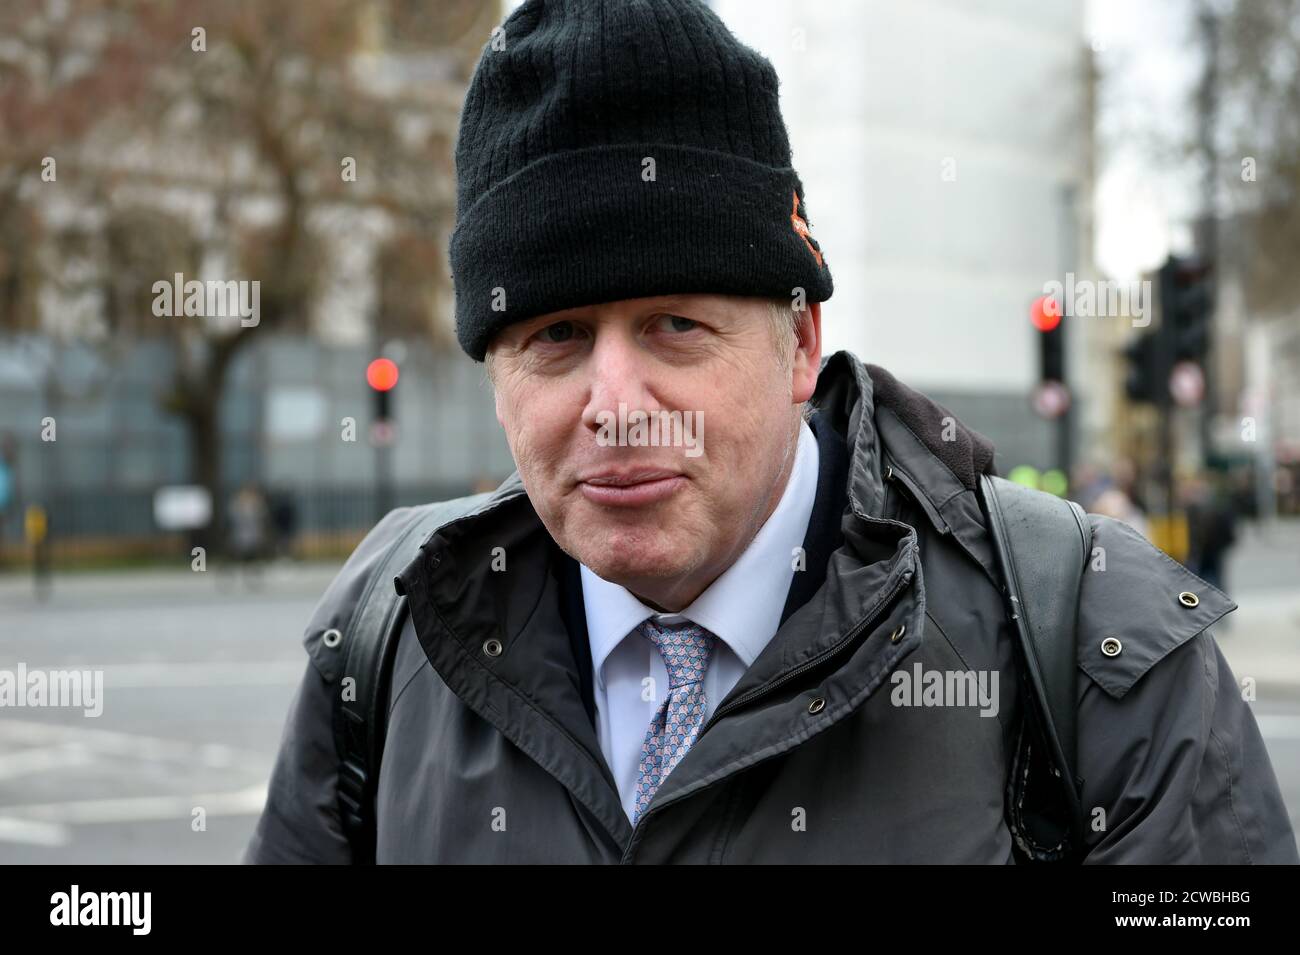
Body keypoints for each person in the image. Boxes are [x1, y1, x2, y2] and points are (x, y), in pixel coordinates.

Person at [245, 0, 1296, 864]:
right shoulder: (387, 626)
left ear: (800, 345)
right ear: (494, 371)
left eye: (676, 326)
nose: (617, 403)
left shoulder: (1093, 643)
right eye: (556, 336)